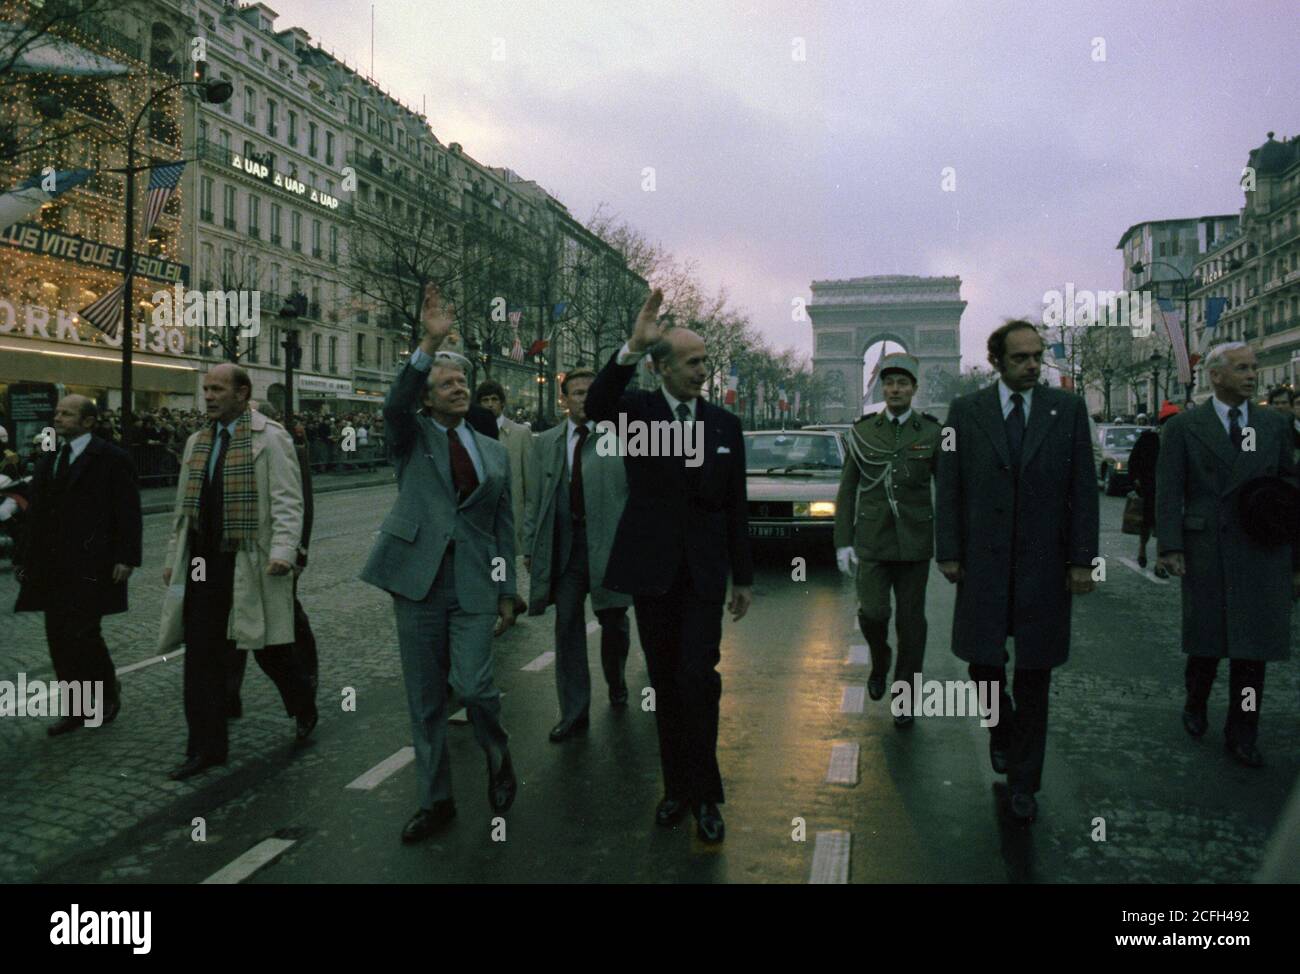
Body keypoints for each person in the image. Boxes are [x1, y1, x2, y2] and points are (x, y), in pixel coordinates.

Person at [584, 288, 753, 844]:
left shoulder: (726, 425)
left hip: (704, 574)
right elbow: (596, 403)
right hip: (653, 571)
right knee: (663, 682)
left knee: (697, 681)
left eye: (706, 361)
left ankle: (706, 794)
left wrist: (743, 577)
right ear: (661, 367)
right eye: (693, 362)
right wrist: (632, 344)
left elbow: (736, 505)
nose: (704, 371)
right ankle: (676, 788)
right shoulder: (636, 412)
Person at [360, 284, 518, 844]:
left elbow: (503, 529)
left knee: (474, 688)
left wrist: (506, 592)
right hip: (418, 584)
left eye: (462, 382)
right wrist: (429, 341)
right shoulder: (410, 436)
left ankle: (497, 754)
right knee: (426, 699)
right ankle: (436, 801)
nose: (457, 389)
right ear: (427, 398)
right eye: (445, 384)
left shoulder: (493, 451)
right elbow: (394, 403)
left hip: (474, 586)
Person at [935, 320, 1099, 824]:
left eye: (1037, 355)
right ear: (997, 362)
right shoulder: (963, 412)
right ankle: (999, 726)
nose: (1033, 364)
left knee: (1035, 673)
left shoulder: (1067, 409)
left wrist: (1081, 560)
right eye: (1021, 357)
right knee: (983, 663)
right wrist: (949, 550)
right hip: (983, 562)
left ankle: (1025, 783)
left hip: (1044, 567)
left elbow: (1084, 489)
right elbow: (950, 484)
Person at [158, 364, 315, 780]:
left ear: (242, 393)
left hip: (249, 558)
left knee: (269, 649)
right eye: (205, 389)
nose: (208, 396)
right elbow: (182, 510)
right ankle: (205, 748)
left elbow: (287, 499)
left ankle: (303, 704)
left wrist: (284, 551)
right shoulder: (197, 441)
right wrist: (175, 557)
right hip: (203, 562)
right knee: (202, 654)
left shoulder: (271, 437)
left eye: (218, 389)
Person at [1156, 343, 1299, 768]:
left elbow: (1292, 492)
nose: (1253, 376)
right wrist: (1170, 546)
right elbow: (1169, 492)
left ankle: (1243, 731)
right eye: (1242, 368)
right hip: (1207, 550)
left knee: (1252, 654)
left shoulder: (1274, 425)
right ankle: (1196, 699)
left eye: (1254, 368)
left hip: (1261, 549)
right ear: (1215, 376)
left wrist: (1295, 559)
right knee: (1206, 644)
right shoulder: (1184, 428)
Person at [13, 395, 141, 735]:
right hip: (53, 565)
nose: (58, 418)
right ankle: (76, 708)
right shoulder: (51, 457)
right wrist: (24, 558)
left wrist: (126, 557)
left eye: (67, 414)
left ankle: (106, 695)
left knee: (84, 633)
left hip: (92, 563)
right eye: (57, 412)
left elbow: (127, 511)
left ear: (88, 422)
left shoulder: (111, 458)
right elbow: (37, 513)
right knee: (58, 636)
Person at [523, 366, 633, 741]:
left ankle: (616, 681)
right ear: (564, 399)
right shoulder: (547, 442)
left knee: (614, 623)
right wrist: (529, 547)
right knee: (566, 627)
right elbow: (535, 500)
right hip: (567, 550)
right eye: (577, 393)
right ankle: (574, 712)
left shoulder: (620, 436)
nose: (585, 398)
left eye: (591, 392)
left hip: (610, 548)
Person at [833, 353, 942, 727]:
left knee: (912, 624)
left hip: (914, 544)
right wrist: (842, 541)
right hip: (873, 541)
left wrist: (952, 544)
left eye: (903, 383)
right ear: (881, 387)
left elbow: (947, 490)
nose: (895, 389)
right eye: (890, 383)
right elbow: (847, 490)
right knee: (874, 612)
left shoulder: (932, 432)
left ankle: (906, 697)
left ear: (914, 388)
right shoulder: (863, 431)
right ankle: (880, 658)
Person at [227, 401, 319, 720]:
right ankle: (228, 696)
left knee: (283, 629)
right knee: (231, 631)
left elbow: (300, 504)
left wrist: (298, 551)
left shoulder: (285, 446)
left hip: (277, 554)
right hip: (238, 556)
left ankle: (305, 684)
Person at [476, 378, 533, 615]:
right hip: (481, 510)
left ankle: (504, 597)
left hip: (510, 510)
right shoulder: (471, 431)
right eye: (485, 400)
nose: (490, 405)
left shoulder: (519, 433)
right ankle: (506, 596)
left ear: (502, 403)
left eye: (494, 400)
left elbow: (529, 479)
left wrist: (529, 519)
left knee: (502, 557)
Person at [1129, 401, 1179, 575]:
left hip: (1169, 489)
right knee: (1148, 524)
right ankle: (1142, 548)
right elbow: (1134, 460)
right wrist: (1135, 479)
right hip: (1149, 487)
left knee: (1162, 526)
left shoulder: (1178, 441)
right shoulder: (1148, 438)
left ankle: (1160, 563)